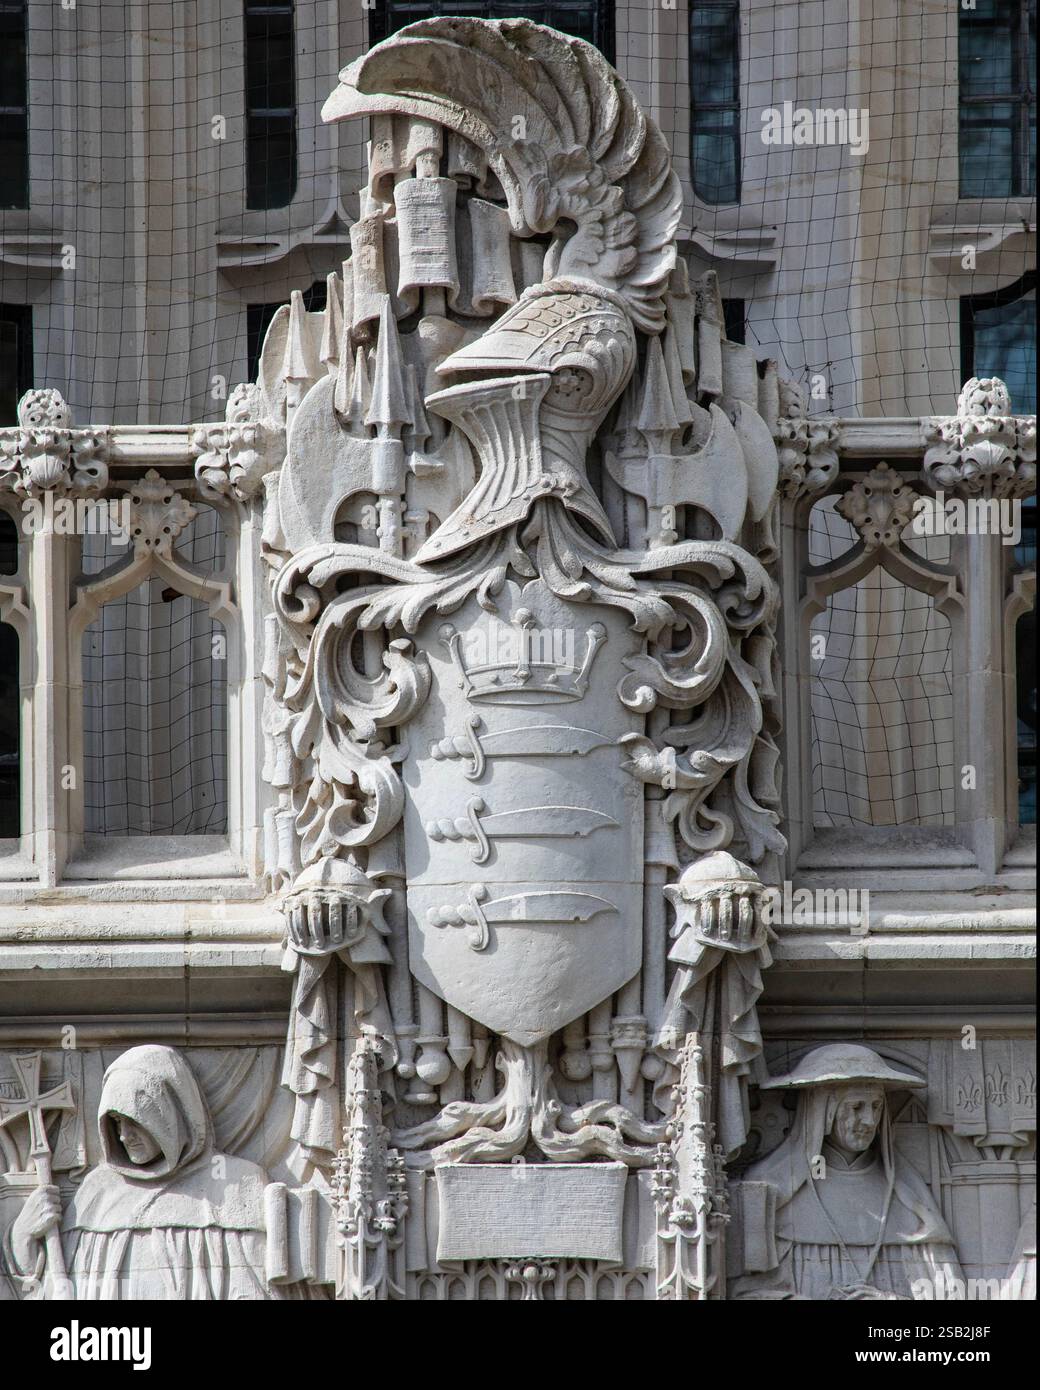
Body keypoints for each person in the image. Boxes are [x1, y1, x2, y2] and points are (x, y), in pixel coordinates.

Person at [9, 1044, 323, 1300]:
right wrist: (24, 1240)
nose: (123, 1135)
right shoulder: (97, 1193)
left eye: (135, 1119)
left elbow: (266, 1290)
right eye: (116, 1122)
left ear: (172, 1113)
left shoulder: (237, 1184)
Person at [730, 1043, 965, 1300]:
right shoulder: (769, 1191)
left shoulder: (909, 1196)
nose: (868, 1121)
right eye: (856, 1107)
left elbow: (951, 1295)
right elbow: (740, 1293)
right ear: (823, 1111)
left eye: (876, 1107)